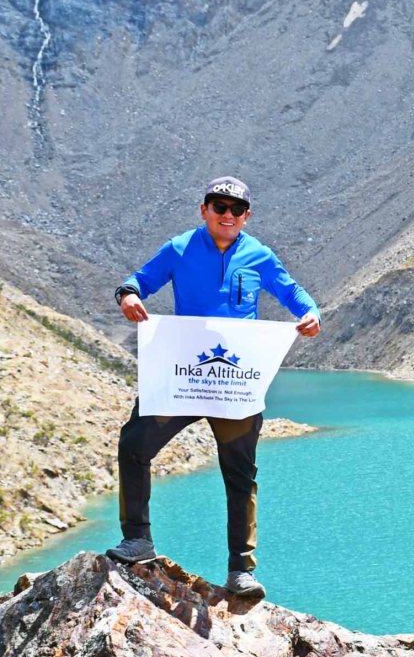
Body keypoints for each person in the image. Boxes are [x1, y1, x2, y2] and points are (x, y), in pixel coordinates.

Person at [105, 176, 320, 599]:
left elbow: (291, 292)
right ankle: (138, 541)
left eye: (236, 208)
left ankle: (241, 571)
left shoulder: (259, 255)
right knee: (134, 445)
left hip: (234, 385)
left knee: (240, 474)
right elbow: (138, 281)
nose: (227, 214)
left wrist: (310, 312)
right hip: (184, 375)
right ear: (203, 209)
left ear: (246, 215)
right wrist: (127, 296)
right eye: (218, 206)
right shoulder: (180, 248)